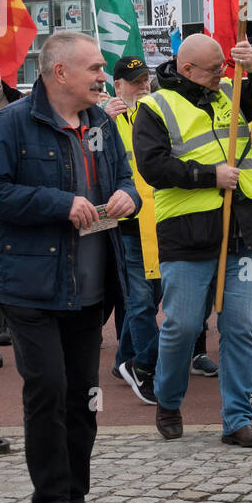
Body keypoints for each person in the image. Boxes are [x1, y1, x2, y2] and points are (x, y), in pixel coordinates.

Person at [0, 30, 139, 503]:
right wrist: (57, 203)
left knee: (82, 394)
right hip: (31, 285)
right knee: (47, 390)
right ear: (59, 72)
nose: (102, 77)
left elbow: (127, 178)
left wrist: (127, 196)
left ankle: (76, 498)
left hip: (91, 286)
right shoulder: (13, 123)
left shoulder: (102, 125)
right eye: (93, 68)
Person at [134, 34, 252, 448]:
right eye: (215, 69)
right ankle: (169, 399)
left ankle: (237, 419)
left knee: (240, 328)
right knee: (183, 325)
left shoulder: (231, 89)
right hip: (188, 235)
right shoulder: (154, 107)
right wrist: (209, 176)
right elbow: (153, 166)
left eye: (225, 68)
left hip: (240, 231)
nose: (222, 75)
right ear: (187, 68)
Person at [102, 56, 161, 406]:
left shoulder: (156, 113)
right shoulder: (105, 119)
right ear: (117, 85)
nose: (143, 86)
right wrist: (100, 121)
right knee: (140, 300)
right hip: (126, 224)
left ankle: (123, 361)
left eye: (146, 79)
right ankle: (145, 369)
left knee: (154, 296)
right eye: (135, 81)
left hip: (159, 220)